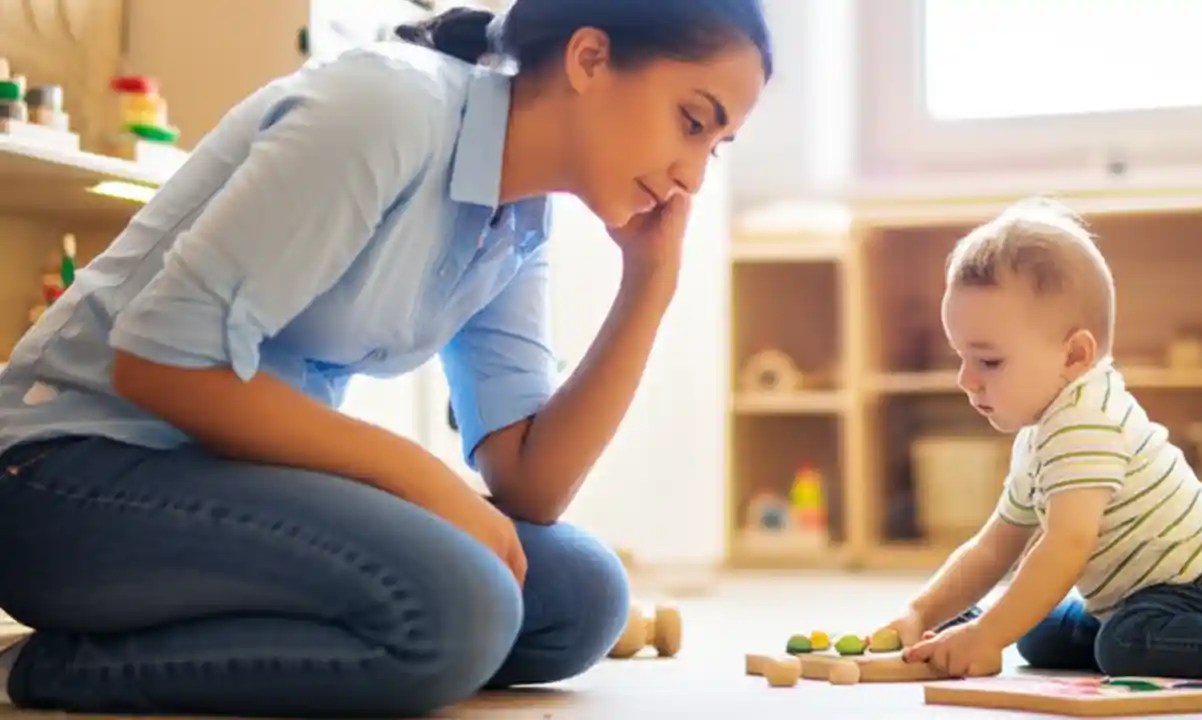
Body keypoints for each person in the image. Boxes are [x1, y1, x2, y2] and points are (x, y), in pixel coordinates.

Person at [0, 0, 773, 715]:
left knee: (578, 597)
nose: (693, 175)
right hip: (63, 478)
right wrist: (427, 481)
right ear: (590, 58)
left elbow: (530, 483)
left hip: (213, 481)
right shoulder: (389, 106)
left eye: (718, 143)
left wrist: (649, 284)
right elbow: (157, 365)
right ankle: (37, 669)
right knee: (457, 611)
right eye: (692, 121)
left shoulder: (516, 219)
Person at [876, 198, 1202, 683]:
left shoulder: (1085, 420)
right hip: (1132, 594)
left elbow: (1067, 545)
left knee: (1126, 645)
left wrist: (986, 636)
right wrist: (923, 613)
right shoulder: (1040, 426)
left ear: (1074, 355)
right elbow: (992, 548)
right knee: (1035, 632)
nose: (966, 379)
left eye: (989, 361)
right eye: (961, 357)